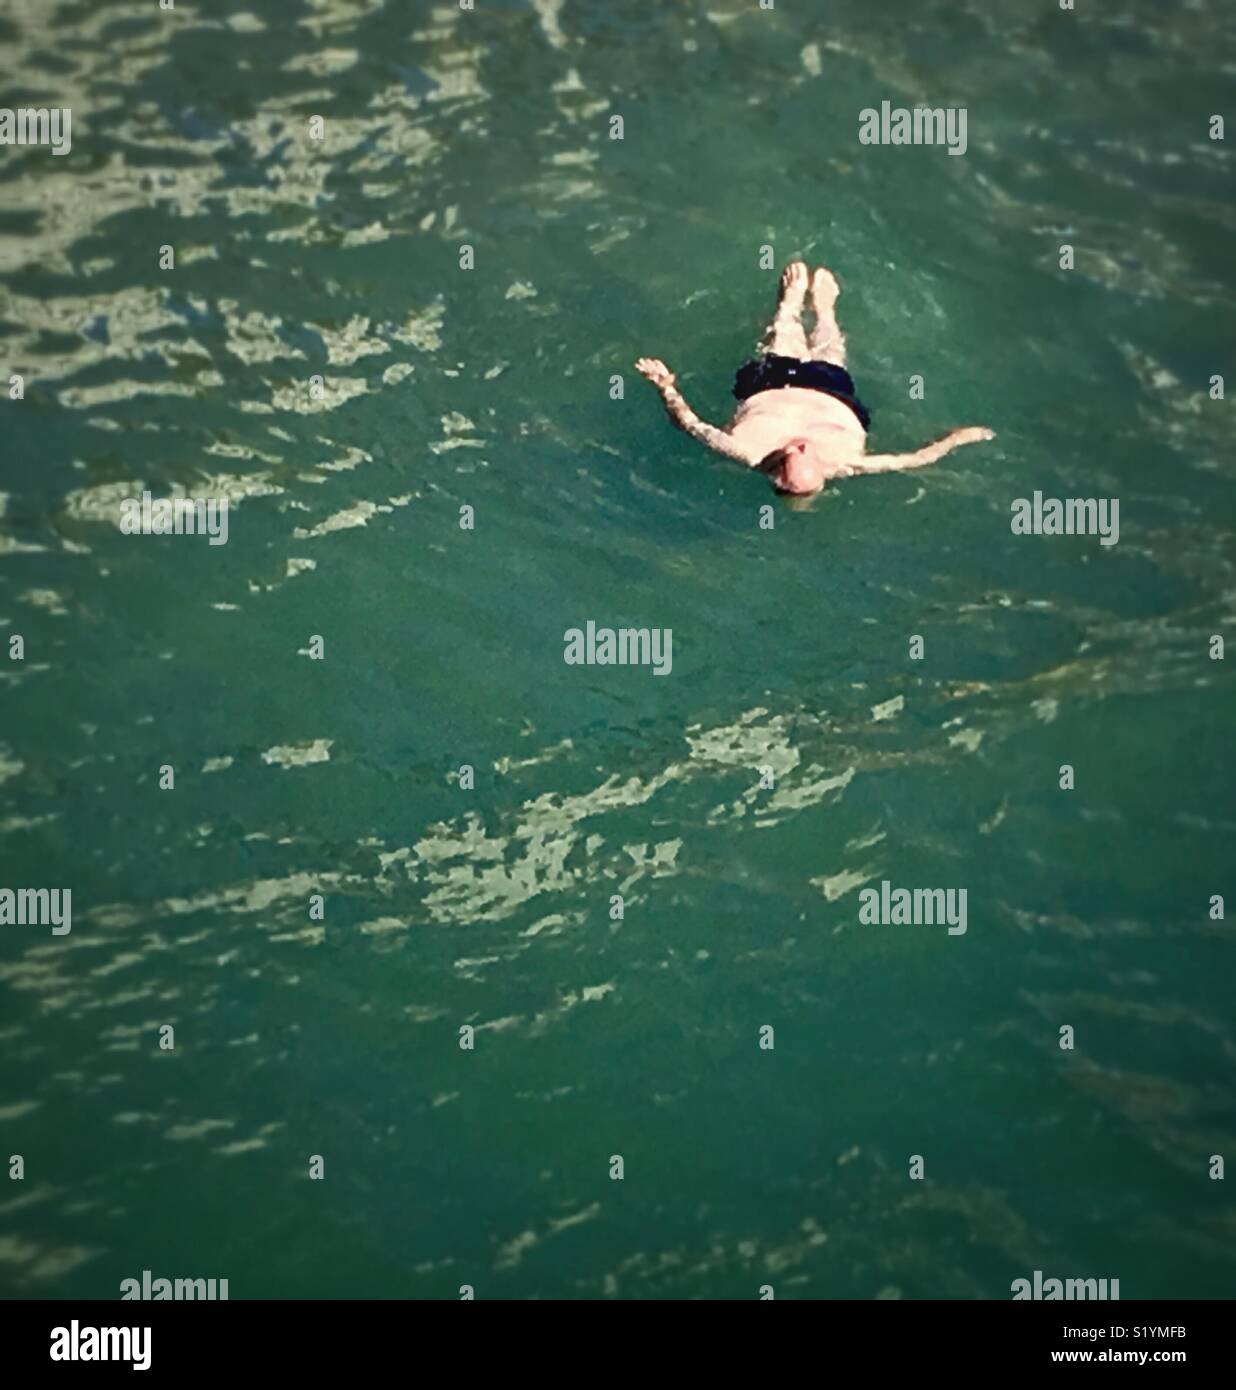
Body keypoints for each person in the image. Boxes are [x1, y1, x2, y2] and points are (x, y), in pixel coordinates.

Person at [635, 261, 995, 497]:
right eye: (801, 451)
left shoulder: (745, 452)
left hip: (771, 385)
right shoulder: (847, 464)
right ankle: (824, 308)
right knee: (830, 344)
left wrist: (666, 387)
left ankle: (790, 304)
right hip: (831, 391)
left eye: (789, 452)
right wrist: (960, 438)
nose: (798, 443)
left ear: (775, 467)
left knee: (783, 332)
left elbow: (692, 426)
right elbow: (917, 459)